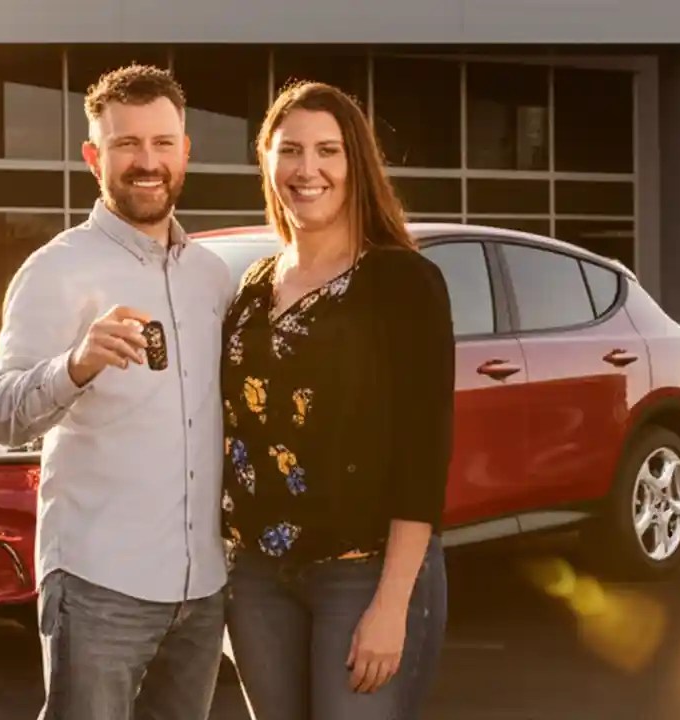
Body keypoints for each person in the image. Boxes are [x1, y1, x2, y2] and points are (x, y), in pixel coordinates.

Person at [0, 64, 233, 720]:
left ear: (185, 152)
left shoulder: (213, 278)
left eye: (162, 143)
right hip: (99, 585)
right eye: (126, 145)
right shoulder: (56, 269)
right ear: (95, 157)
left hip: (203, 589)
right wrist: (76, 364)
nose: (146, 162)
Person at [219, 80, 455, 719]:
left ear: (356, 163)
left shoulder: (403, 281)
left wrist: (392, 604)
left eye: (328, 150)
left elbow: (423, 453)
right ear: (266, 161)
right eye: (290, 150)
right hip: (255, 578)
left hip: (362, 573)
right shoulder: (252, 287)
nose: (308, 169)